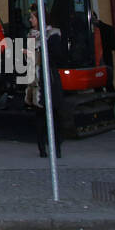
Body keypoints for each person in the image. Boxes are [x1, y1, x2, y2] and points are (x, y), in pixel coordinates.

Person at [26, 10, 65, 158]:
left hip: (49, 77)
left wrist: (41, 49)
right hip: (36, 78)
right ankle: (42, 148)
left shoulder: (53, 34)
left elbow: (56, 56)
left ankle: (57, 148)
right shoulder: (31, 36)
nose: (30, 20)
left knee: (54, 114)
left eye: (33, 17)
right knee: (39, 115)